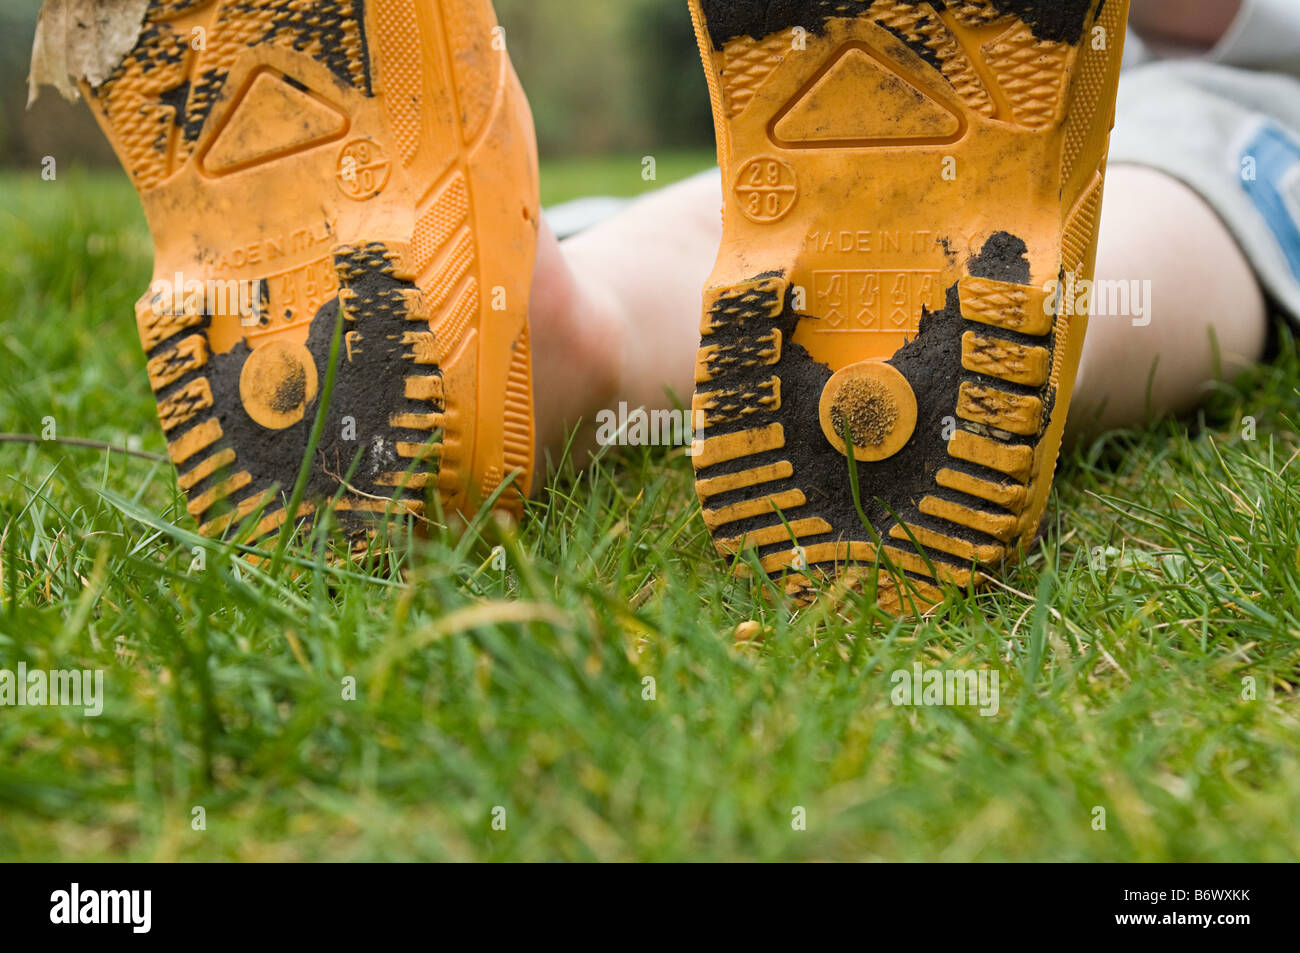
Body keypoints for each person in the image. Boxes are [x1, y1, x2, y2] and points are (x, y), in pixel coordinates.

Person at [30, 0, 1300, 609]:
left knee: (1168, 192)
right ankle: (543, 332)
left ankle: (568, 337)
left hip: (1250, 82)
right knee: (784, 233)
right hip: (998, 83)